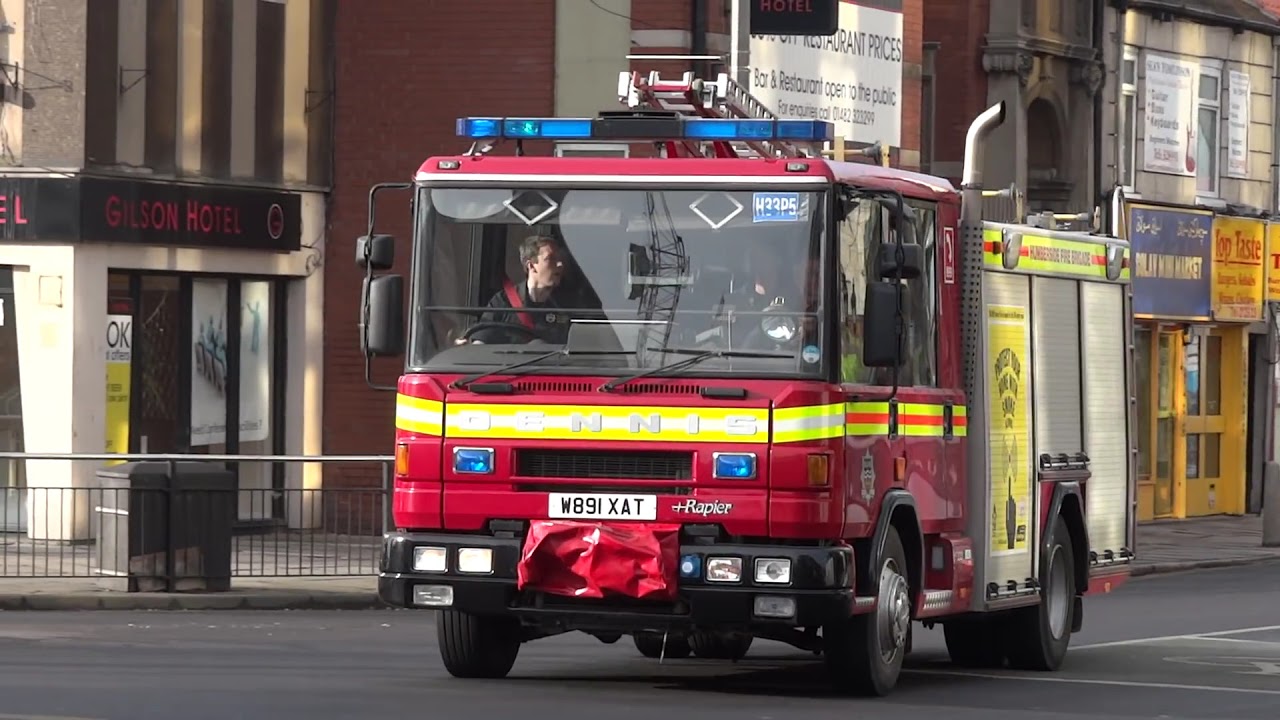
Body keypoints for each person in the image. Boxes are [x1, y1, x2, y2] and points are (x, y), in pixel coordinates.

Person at [463, 234, 574, 345]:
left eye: (560, 259)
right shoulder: (502, 302)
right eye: (551, 258)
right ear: (531, 266)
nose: (560, 264)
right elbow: (482, 341)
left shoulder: (567, 304)